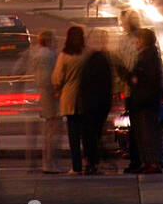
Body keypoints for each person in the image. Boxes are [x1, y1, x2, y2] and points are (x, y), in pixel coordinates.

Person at [129, 27, 163, 173]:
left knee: (147, 132)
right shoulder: (149, 55)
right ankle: (147, 161)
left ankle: (152, 162)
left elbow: (147, 78)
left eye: (138, 39)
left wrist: (133, 77)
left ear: (144, 41)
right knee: (144, 132)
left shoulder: (148, 56)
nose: (136, 42)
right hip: (146, 99)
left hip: (145, 100)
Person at [52, 25, 86, 173]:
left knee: (73, 135)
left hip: (70, 97)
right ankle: (91, 163)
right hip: (86, 96)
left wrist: (57, 89)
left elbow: (58, 77)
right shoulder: (87, 53)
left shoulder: (64, 55)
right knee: (87, 134)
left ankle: (76, 166)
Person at [25, 30, 59, 172]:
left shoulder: (35, 54)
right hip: (48, 95)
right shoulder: (50, 56)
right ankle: (48, 163)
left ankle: (32, 162)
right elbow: (50, 78)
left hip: (36, 93)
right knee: (52, 129)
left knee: (33, 132)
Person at [77, 46, 113, 174]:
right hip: (102, 105)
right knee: (97, 132)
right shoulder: (105, 71)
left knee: (88, 134)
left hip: (89, 105)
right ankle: (96, 160)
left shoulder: (87, 72)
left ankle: (90, 161)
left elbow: (82, 87)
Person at [114, 11, 142, 173]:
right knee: (140, 125)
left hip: (131, 88)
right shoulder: (142, 39)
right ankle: (140, 158)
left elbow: (119, 64)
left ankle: (135, 159)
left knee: (134, 125)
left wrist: (119, 87)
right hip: (138, 87)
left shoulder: (124, 41)